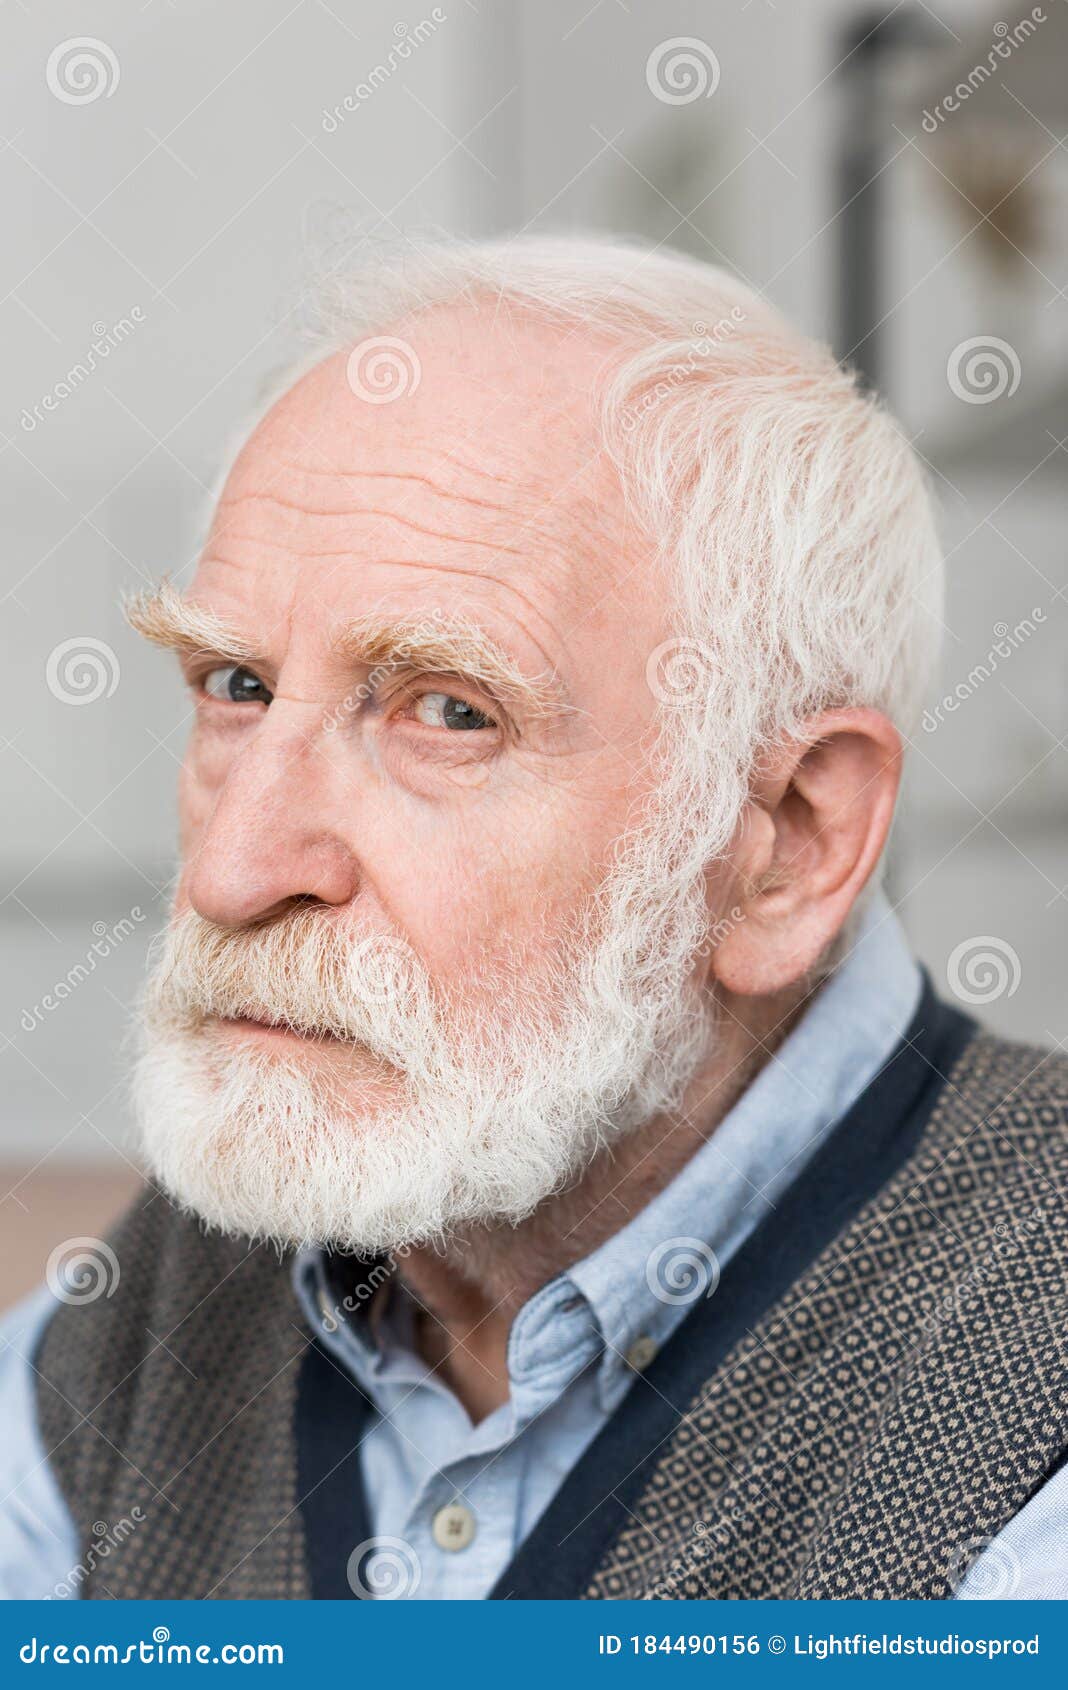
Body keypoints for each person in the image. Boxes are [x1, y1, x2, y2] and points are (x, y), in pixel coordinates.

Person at [2, 236, 1065, 1601]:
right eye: (236, 684)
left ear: (788, 843)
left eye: (449, 711)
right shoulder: (150, 1318)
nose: (235, 868)